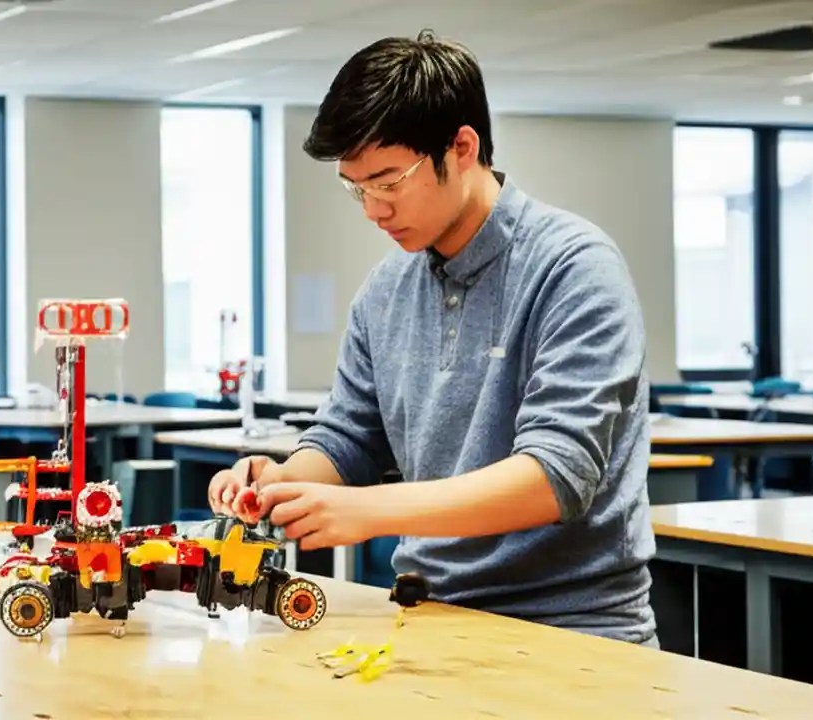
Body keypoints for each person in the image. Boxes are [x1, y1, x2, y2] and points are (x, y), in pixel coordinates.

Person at [207, 30, 657, 646]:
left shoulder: (574, 266)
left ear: (463, 147)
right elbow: (348, 439)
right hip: (429, 617)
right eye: (356, 187)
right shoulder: (386, 289)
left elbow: (556, 475)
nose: (373, 209)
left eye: (389, 181)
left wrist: (365, 513)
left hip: (573, 629)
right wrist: (282, 481)